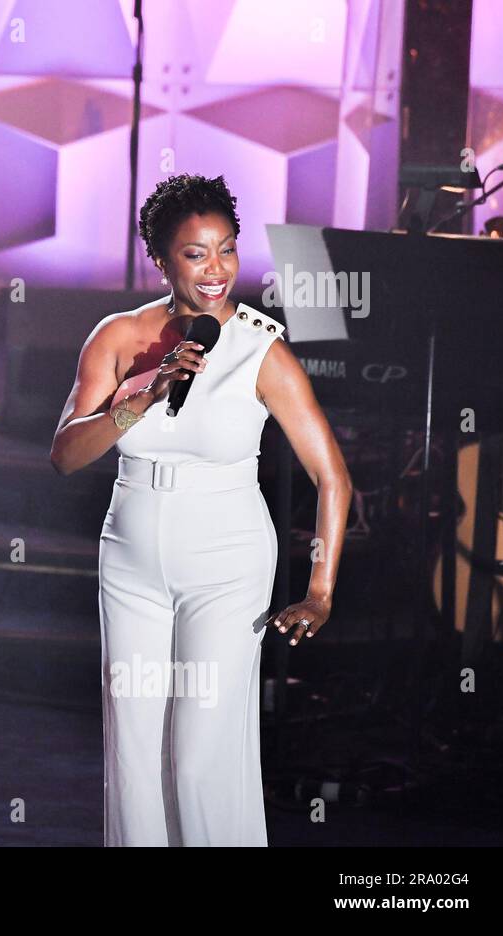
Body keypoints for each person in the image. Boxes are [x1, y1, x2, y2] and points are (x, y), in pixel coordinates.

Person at [49, 173, 352, 846]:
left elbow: (332, 476)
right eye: (195, 253)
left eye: (227, 249)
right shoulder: (119, 337)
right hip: (130, 558)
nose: (216, 269)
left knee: (196, 761)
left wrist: (320, 590)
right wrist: (145, 392)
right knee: (134, 753)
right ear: (161, 259)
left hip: (227, 560)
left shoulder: (260, 349)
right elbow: (67, 455)